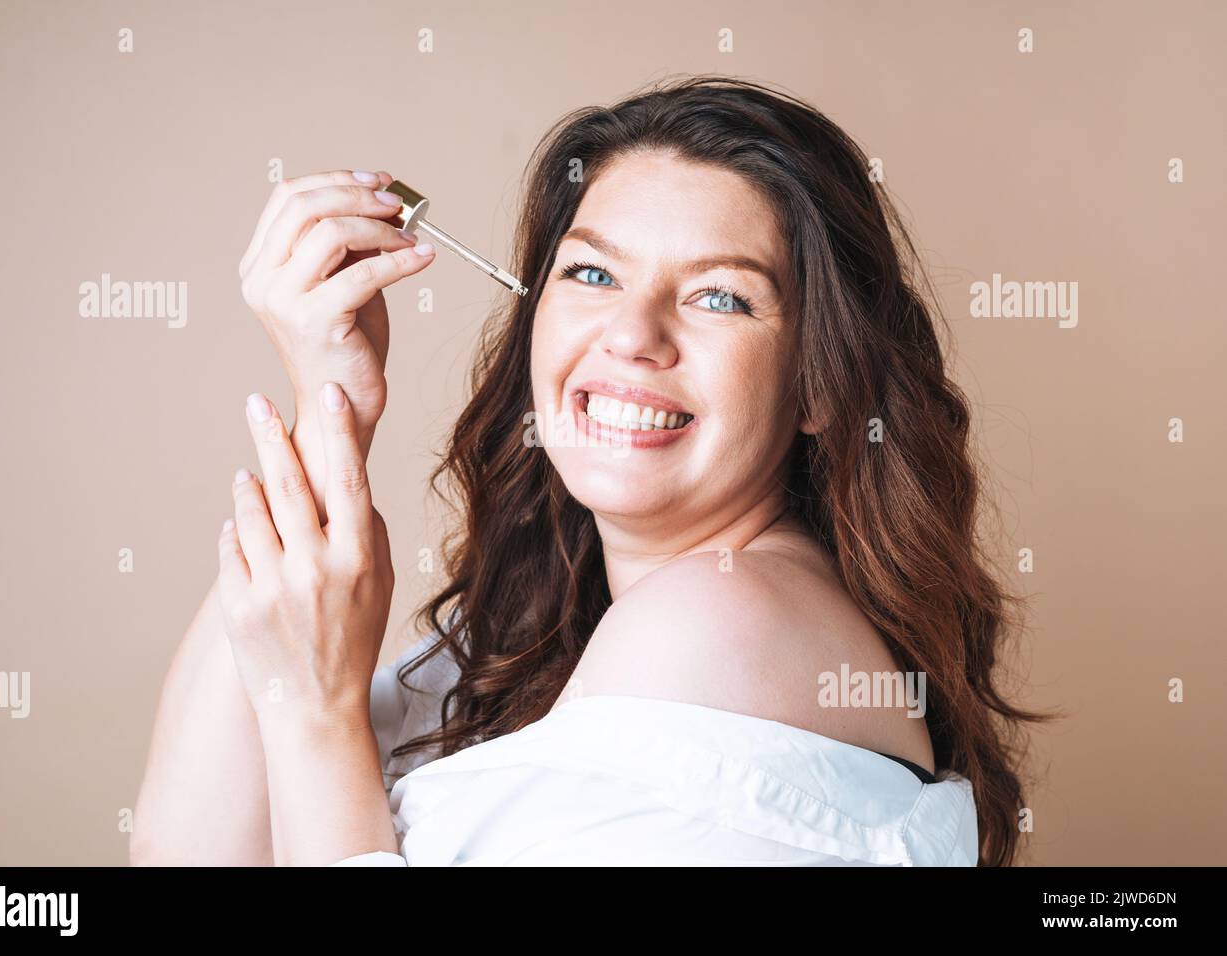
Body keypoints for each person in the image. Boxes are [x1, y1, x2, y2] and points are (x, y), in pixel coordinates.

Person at [132, 75, 1043, 867]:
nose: (631, 336)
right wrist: (332, 405)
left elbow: (292, 763)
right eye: (593, 275)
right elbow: (195, 853)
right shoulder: (571, 631)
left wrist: (321, 719)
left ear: (818, 384)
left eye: (718, 296)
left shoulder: (717, 624)